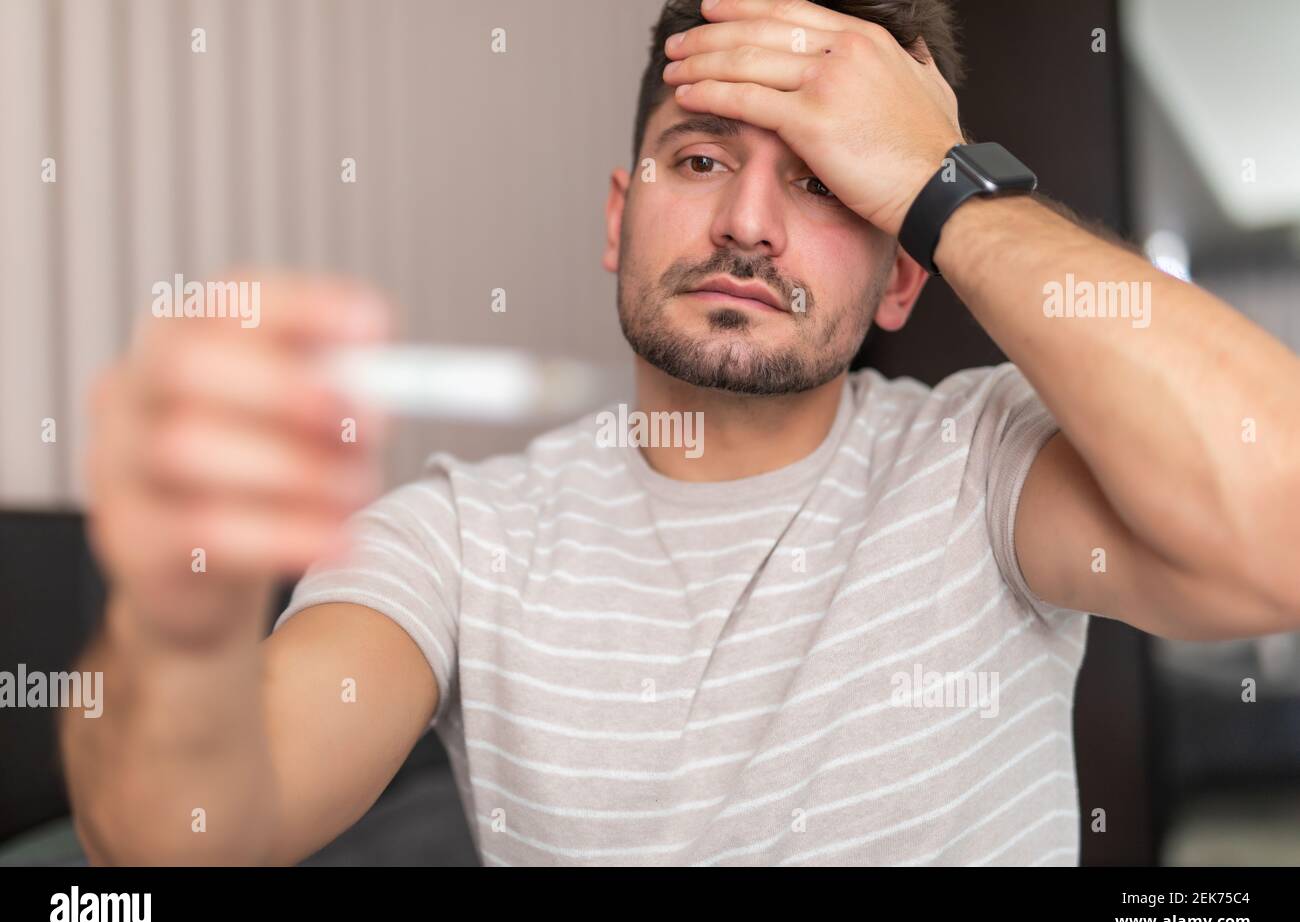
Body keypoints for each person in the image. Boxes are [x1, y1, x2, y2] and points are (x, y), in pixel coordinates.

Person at [65, 0, 1300, 866]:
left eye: (825, 180)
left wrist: (944, 181)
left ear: (903, 279)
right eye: (701, 156)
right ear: (620, 219)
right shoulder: (453, 538)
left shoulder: (986, 463)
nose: (749, 224)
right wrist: (177, 617)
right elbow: (190, 833)